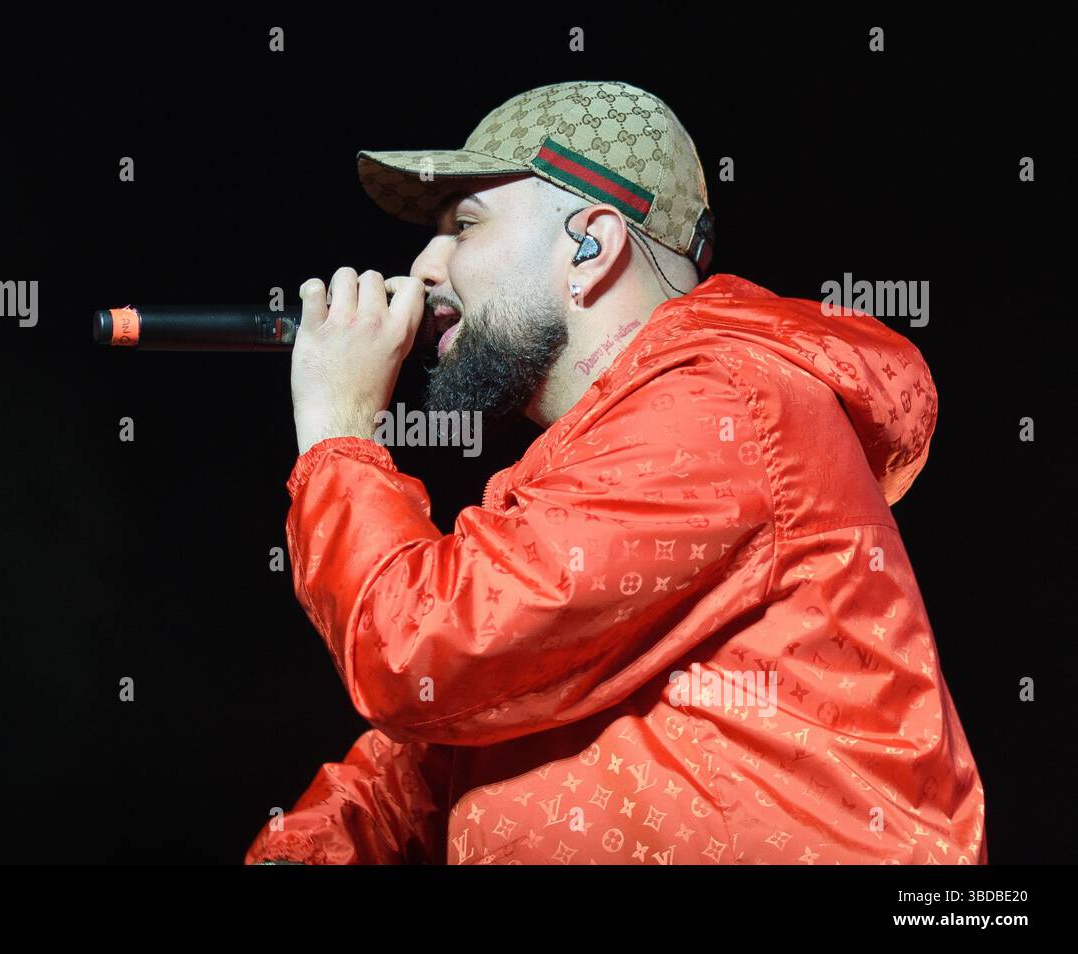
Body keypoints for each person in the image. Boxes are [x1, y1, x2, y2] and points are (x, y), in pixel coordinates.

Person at [244, 80, 986, 865]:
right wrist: (311, 850)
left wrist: (337, 432)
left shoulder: (724, 403)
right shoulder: (606, 455)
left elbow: (420, 649)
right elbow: (455, 735)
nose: (425, 265)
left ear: (591, 244)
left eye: (465, 223)